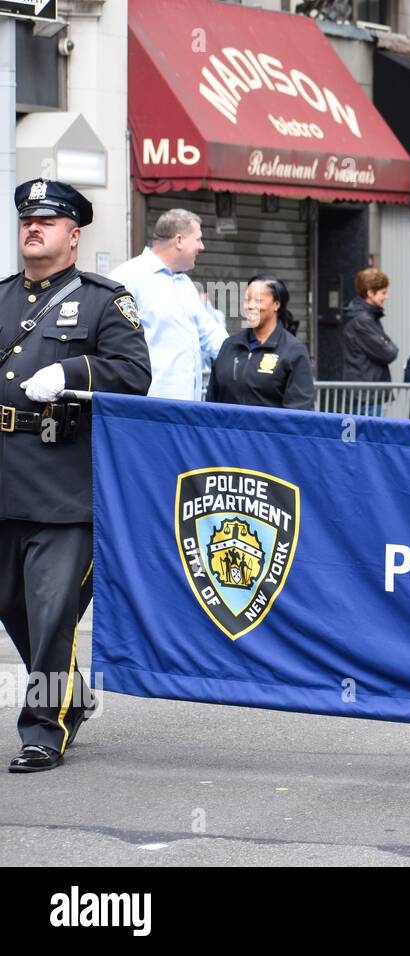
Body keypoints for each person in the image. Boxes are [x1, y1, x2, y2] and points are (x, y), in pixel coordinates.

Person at [0, 179, 152, 772]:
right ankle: (74, 693)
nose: (33, 228)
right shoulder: (5, 297)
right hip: (7, 483)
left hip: (67, 488)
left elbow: (133, 373)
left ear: (73, 234)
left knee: (52, 612)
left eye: (47, 220)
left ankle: (44, 728)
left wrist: (70, 371)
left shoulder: (102, 300)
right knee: (15, 606)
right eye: (26, 220)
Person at [109, 208, 227, 401]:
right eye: (197, 239)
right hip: (150, 407)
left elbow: (209, 334)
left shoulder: (185, 284)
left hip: (188, 407)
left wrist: (244, 356)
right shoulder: (127, 278)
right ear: (179, 241)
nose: (202, 247)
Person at [206, 274, 314, 410]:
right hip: (227, 431)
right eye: (246, 300)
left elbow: (299, 413)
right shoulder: (229, 345)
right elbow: (212, 401)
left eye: (257, 300)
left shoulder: (294, 351)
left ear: (276, 304)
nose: (250, 306)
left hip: (268, 431)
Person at [341, 267, 399, 417]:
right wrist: (387, 343)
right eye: (383, 293)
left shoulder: (366, 317)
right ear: (370, 293)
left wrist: (386, 342)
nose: (386, 297)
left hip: (368, 392)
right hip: (367, 394)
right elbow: (389, 352)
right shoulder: (363, 320)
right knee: (368, 436)